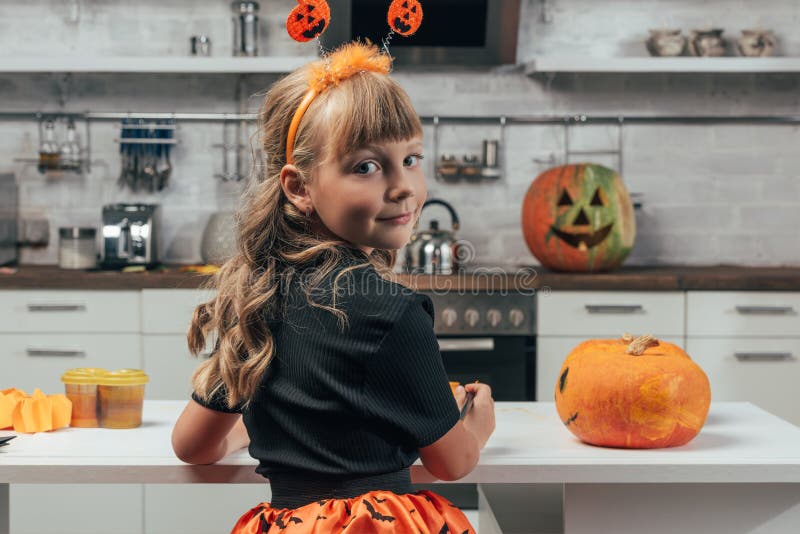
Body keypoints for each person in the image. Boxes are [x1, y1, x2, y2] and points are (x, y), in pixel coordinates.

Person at [171, 41, 495, 534]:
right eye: (366, 167)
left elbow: (192, 445)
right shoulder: (395, 312)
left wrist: (254, 433)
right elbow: (452, 462)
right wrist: (476, 425)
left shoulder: (256, 294)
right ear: (299, 187)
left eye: (411, 158)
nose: (403, 186)